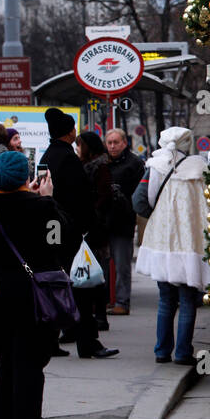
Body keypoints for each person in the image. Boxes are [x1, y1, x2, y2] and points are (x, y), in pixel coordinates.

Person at [0, 151, 73, 419]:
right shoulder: (41, 208)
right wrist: (49, 199)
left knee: (3, 361)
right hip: (31, 295)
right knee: (29, 362)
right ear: (25, 177)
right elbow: (60, 242)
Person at [38, 108, 118, 360]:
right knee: (82, 287)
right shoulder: (69, 160)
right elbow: (80, 199)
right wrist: (88, 228)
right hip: (72, 233)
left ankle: (50, 340)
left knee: (54, 285)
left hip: (51, 232)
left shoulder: (47, 156)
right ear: (69, 132)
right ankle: (88, 343)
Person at [133, 126, 210, 365]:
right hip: (190, 242)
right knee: (188, 300)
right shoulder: (200, 168)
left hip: (163, 241)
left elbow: (139, 200)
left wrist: (157, 215)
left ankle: (161, 351)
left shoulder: (155, 166)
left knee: (166, 299)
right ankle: (182, 352)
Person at [76, 130, 115, 333]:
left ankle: (99, 314)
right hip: (93, 225)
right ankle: (96, 313)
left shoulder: (99, 167)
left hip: (96, 228)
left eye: (79, 145)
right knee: (91, 271)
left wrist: (92, 214)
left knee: (96, 272)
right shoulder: (90, 165)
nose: (77, 149)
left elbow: (104, 195)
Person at [105, 128, 145, 315]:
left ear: (124, 143)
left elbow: (139, 193)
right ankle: (105, 300)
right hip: (103, 221)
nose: (112, 146)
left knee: (122, 265)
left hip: (123, 221)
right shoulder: (102, 162)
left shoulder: (134, 164)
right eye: (109, 142)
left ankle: (122, 302)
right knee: (103, 264)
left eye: (115, 142)